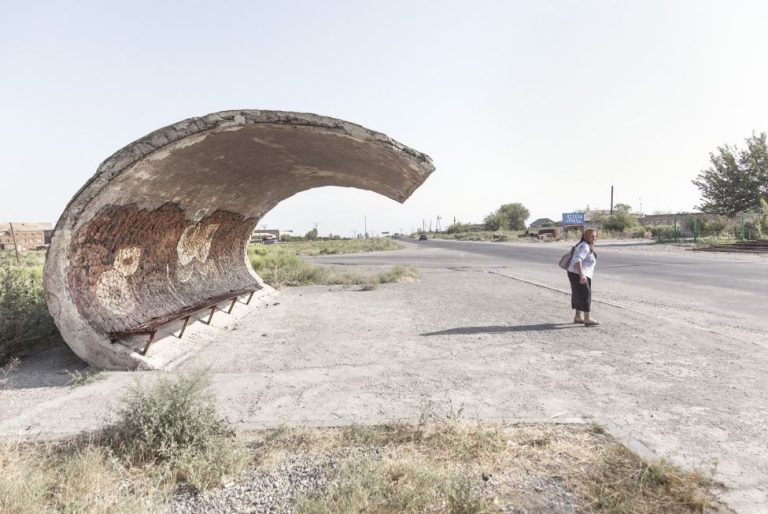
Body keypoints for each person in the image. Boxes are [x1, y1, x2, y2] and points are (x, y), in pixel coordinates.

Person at [567, 228, 599, 326]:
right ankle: (587, 318)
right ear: (586, 236)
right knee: (586, 295)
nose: (594, 238)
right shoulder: (585, 246)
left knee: (579, 294)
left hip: (577, 273)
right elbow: (578, 260)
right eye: (592, 236)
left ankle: (578, 317)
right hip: (579, 274)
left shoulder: (585, 245)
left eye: (595, 236)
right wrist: (581, 275)